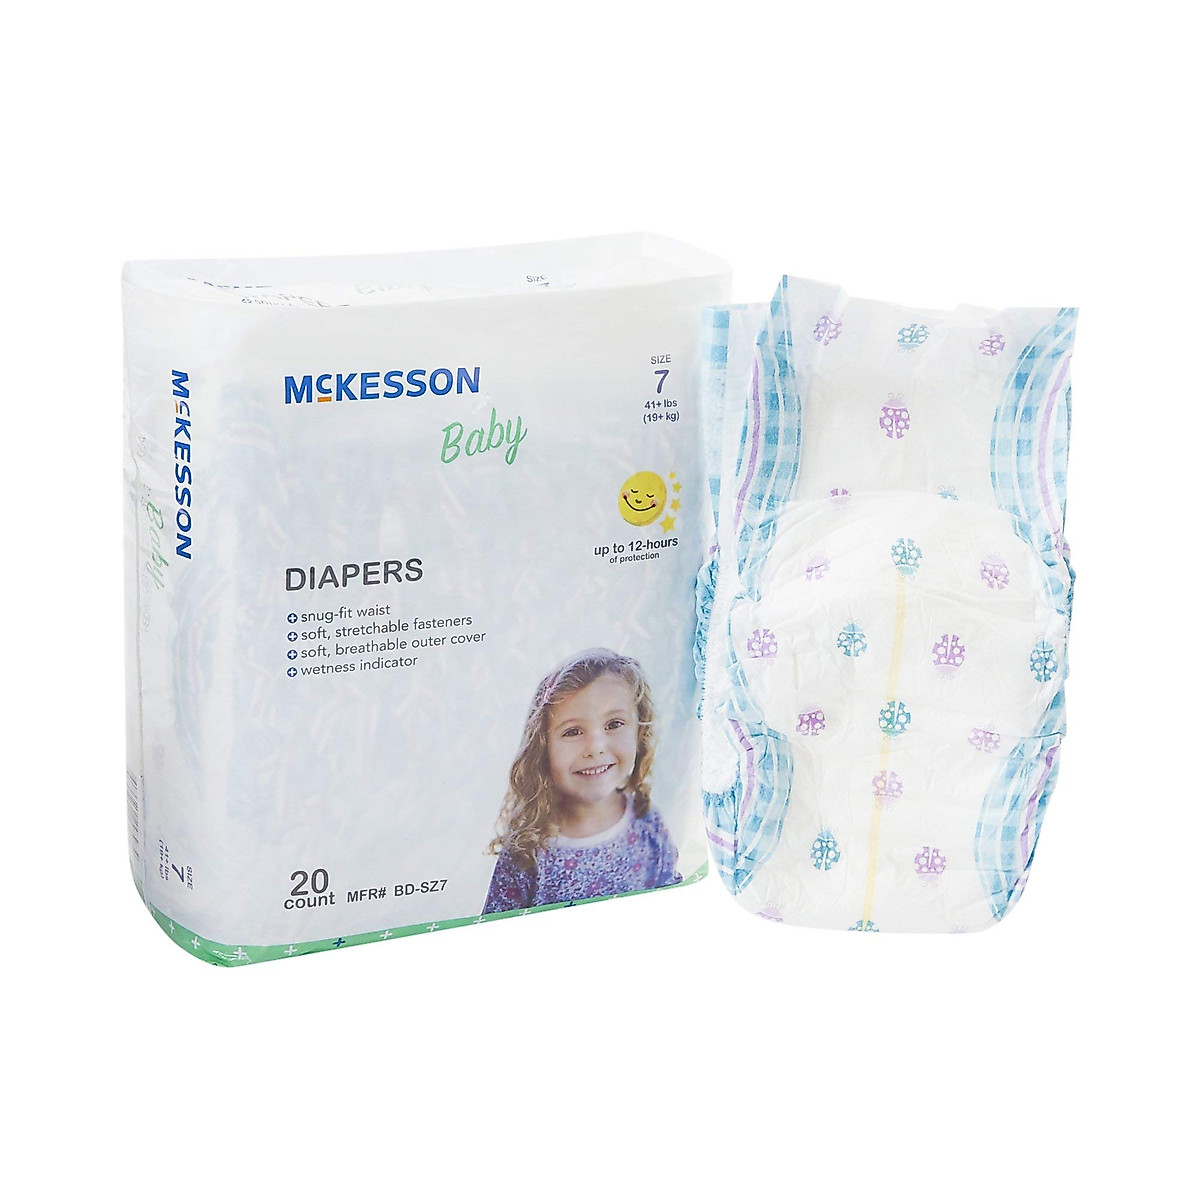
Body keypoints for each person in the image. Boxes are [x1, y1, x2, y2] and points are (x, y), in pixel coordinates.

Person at [483, 648, 680, 914]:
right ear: (543, 749)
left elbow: (670, 897)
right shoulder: (527, 850)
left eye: (614, 724)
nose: (596, 748)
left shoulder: (647, 821)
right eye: (573, 731)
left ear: (639, 732)